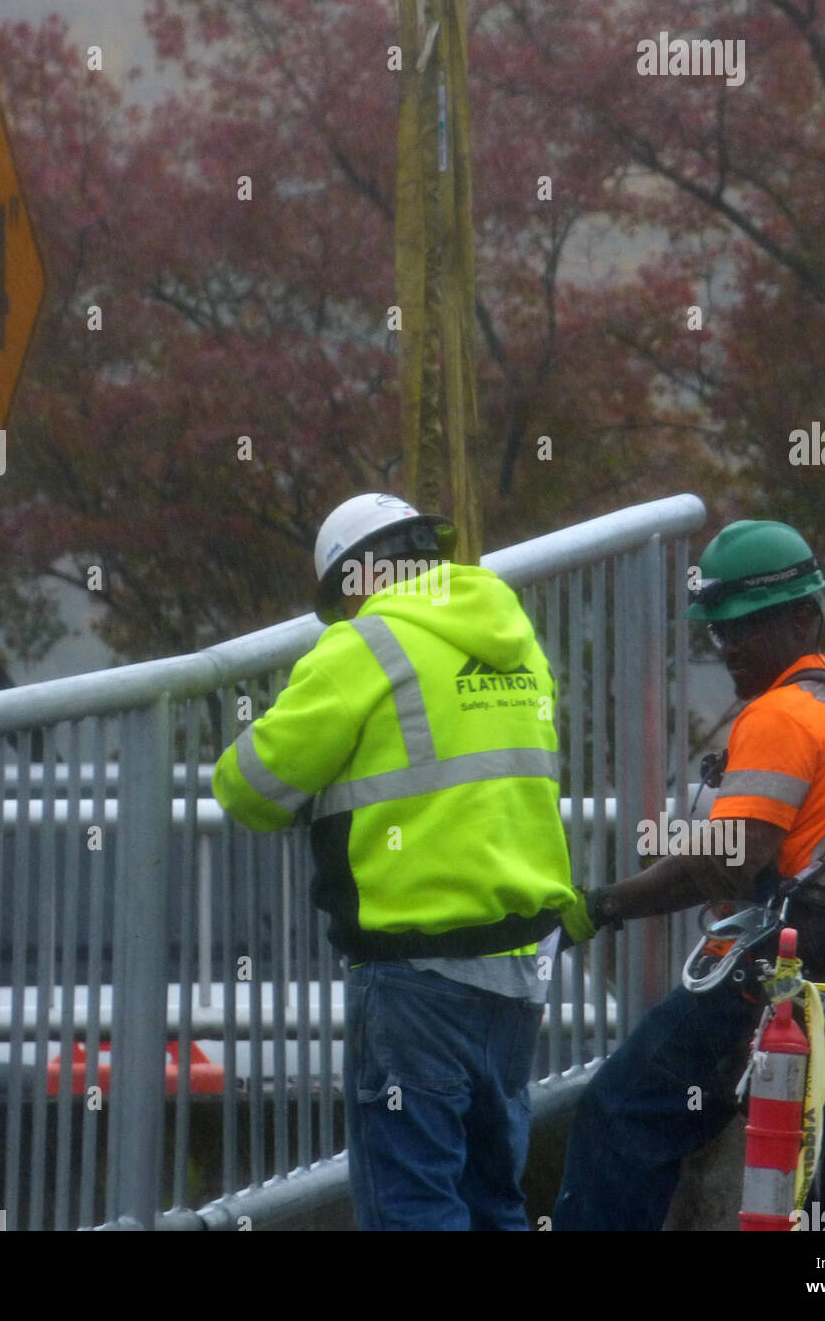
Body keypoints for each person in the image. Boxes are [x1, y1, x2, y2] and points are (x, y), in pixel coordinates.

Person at [213, 492, 595, 1231]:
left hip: (416, 972)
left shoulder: (364, 646)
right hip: (520, 963)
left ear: (355, 578)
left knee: (412, 1202)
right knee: (493, 1196)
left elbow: (250, 788)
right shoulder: (515, 639)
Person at [553, 518, 825, 1231]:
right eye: (717, 630)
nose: (728, 646)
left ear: (804, 616)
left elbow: (726, 858)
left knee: (624, 1113)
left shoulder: (781, 712)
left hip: (785, 966)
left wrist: (600, 905)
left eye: (745, 627)